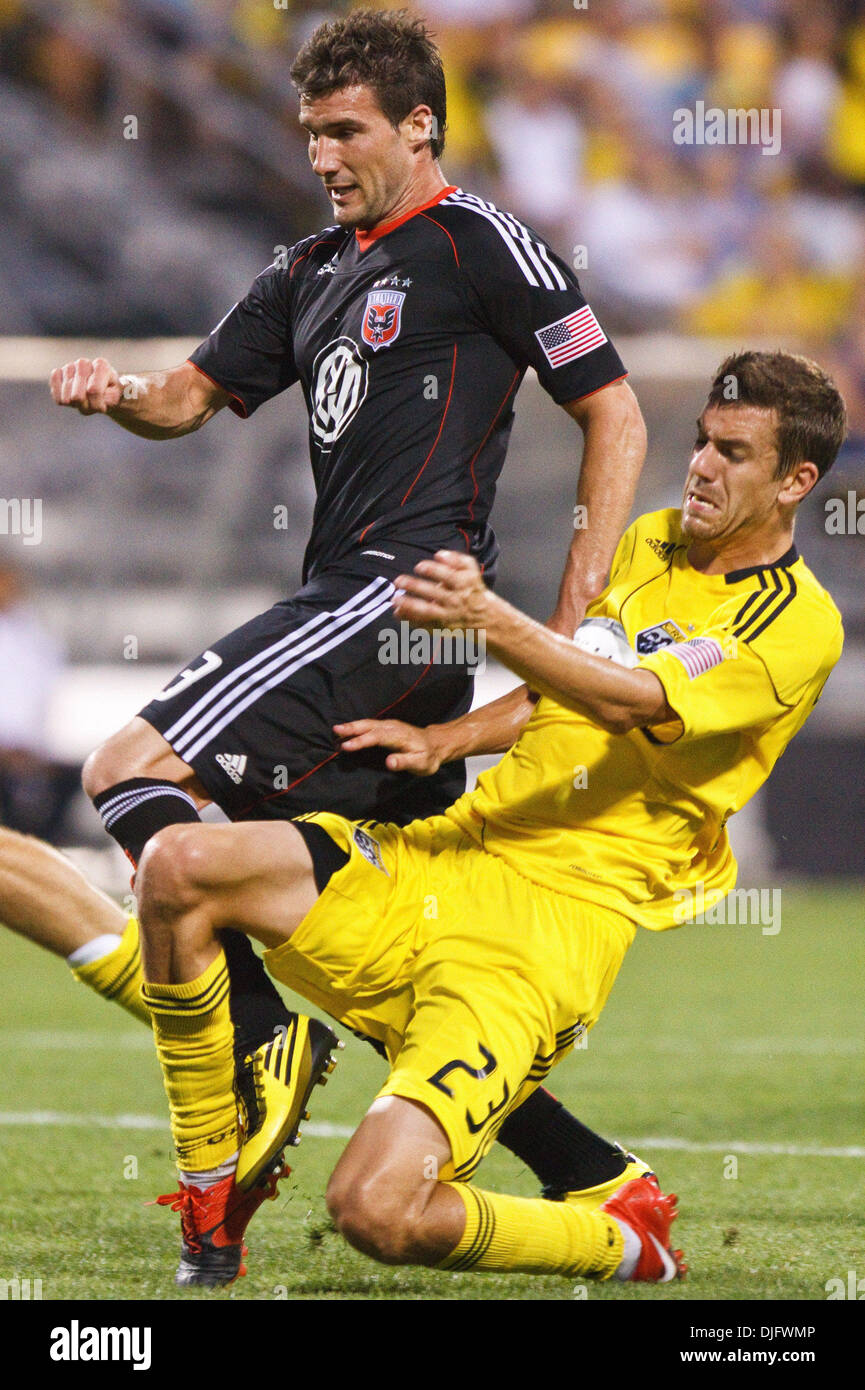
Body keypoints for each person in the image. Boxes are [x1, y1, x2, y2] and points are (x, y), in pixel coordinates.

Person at [46, 11, 647, 1206]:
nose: (321, 156)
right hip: (366, 619)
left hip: (394, 591)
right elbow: (187, 398)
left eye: (344, 131)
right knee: (355, 937)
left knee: (128, 766)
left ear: (419, 127)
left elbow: (614, 410)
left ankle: (259, 1032)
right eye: (309, 132)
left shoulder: (485, 244)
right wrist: (115, 391)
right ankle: (595, 1177)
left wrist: (579, 597)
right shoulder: (305, 269)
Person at [134, 350, 845, 1286]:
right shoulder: (651, 540)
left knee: (375, 1212)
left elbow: (632, 697)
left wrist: (491, 620)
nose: (702, 467)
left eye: (736, 453)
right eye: (702, 442)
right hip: (454, 855)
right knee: (177, 864)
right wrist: (448, 742)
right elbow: (568, 684)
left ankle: (627, 1241)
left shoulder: (795, 625)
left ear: (797, 481)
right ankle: (213, 1188)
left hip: (547, 930)